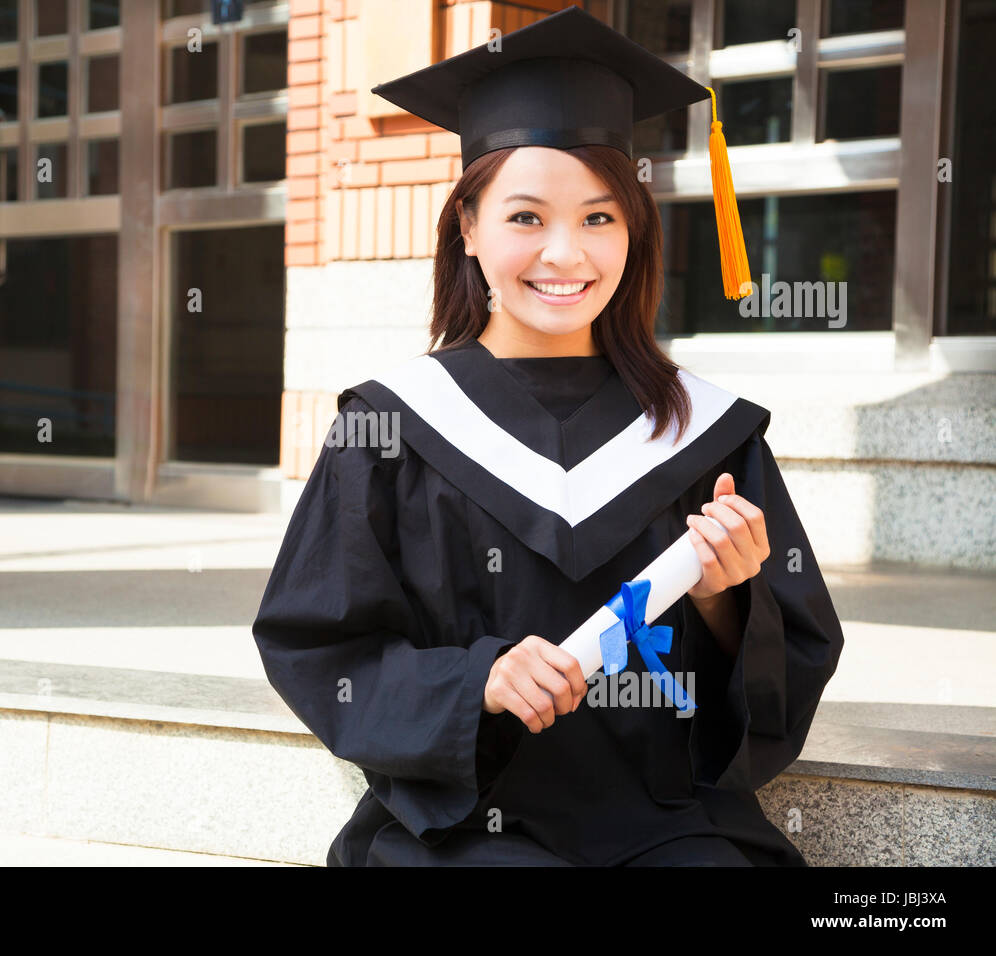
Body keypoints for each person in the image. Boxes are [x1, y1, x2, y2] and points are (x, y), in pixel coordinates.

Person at [251, 6, 844, 867]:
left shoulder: (704, 431)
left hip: (666, 815)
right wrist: (473, 682)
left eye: (600, 218)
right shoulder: (393, 426)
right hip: (466, 821)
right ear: (468, 226)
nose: (565, 254)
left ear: (634, 231)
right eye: (526, 217)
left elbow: (790, 661)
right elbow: (319, 645)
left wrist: (725, 599)